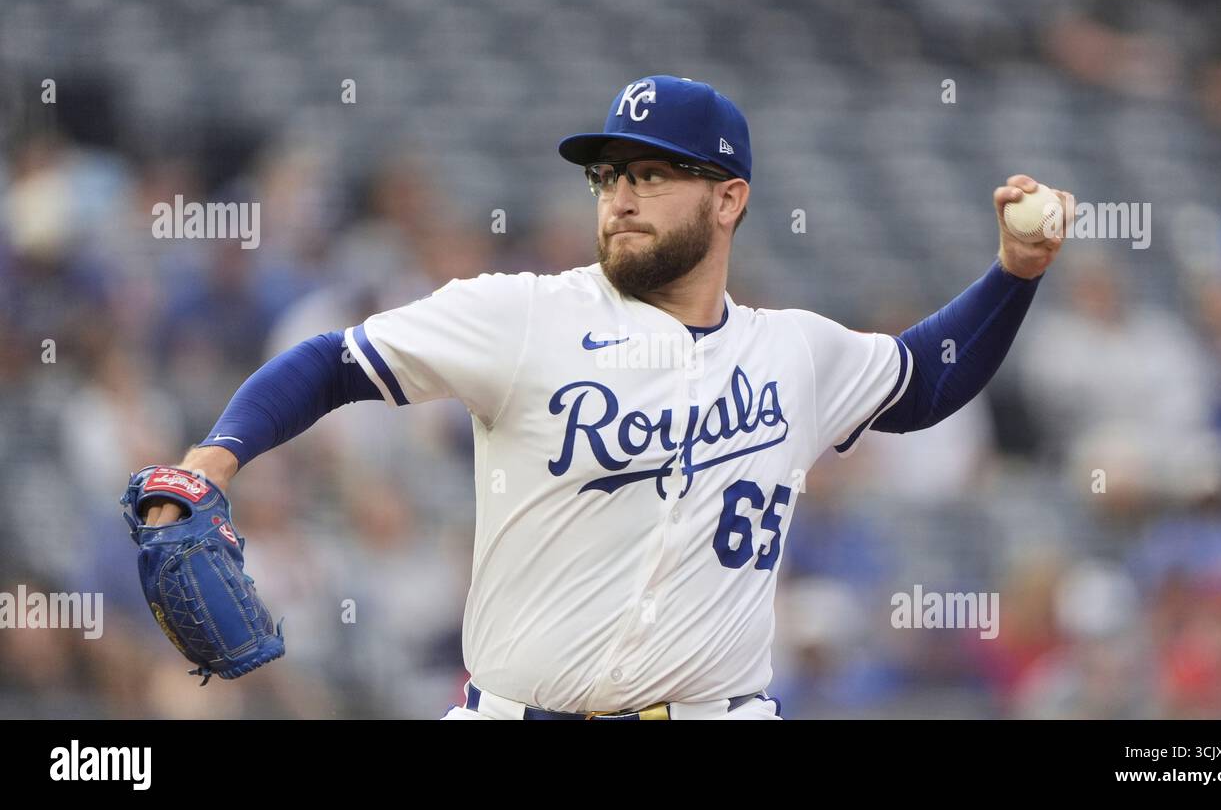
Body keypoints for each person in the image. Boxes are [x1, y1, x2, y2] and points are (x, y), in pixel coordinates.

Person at [135, 75, 1071, 720]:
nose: (620, 195)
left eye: (654, 173)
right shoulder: (521, 314)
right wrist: (214, 459)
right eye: (609, 174)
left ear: (729, 198)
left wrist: (1015, 272)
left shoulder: (795, 351)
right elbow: (334, 360)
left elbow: (925, 377)